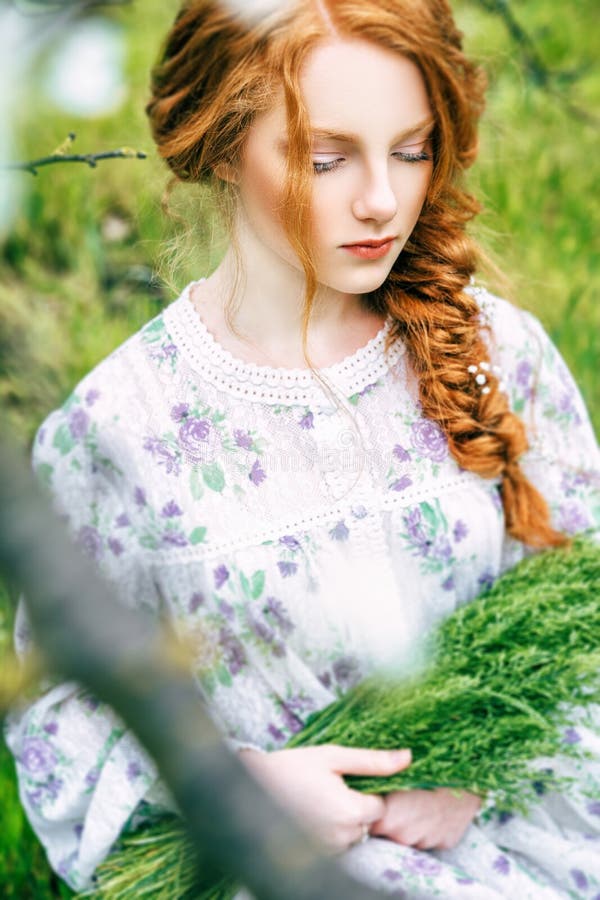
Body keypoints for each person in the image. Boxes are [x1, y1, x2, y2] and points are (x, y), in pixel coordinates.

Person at [5, 0, 600, 896]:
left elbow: (581, 595)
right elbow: (62, 707)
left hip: (517, 848)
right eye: (326, 159)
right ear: (221, 147)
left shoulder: (495, 355)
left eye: (412, 150)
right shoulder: (119, 431)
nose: (382, 200)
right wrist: (236, 788)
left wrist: (481, 774)